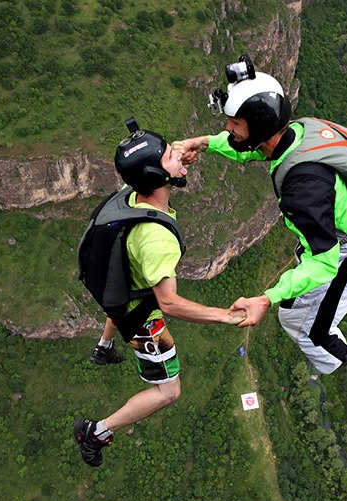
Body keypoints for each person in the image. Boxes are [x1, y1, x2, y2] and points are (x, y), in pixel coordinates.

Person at [174, 56, 347, 375]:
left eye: (234, 123)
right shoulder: (294, 134)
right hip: (338, 230)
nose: (228, 129)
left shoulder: (302, 188)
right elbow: (244, 148)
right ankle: (322, 336)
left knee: (311, 333)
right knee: (290, 314)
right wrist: (202, 143)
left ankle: (340, 359)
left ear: (260, 126)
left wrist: (266, 298)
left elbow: (324, 264)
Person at [74, 122, 246, 467]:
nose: (177, 154)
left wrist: (183, 157)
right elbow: (168, 303)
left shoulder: (131, 193)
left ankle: (104, 347)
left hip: (118, 281)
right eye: (170, 154)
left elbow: (157, 168)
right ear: (154, 174)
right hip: (143, 320)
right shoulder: (156, 240)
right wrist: (226, 316)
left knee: (131, 291)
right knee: (169, 392)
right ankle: (96, 432)